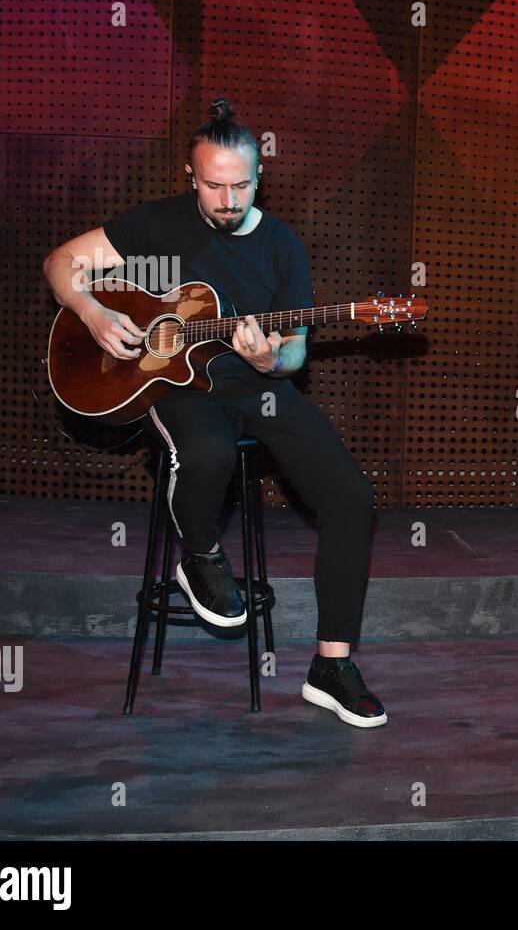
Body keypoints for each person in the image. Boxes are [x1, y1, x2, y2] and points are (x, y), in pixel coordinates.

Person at [41, 99, 386, 728]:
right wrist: (93, 312)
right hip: (173, 386)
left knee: (351, 497)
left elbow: (294, 352)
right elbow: (61, 263)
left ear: (260, 176)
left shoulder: (282, 245)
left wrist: (267, 362)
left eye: (242, 184)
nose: (228, 199)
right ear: (190, 175)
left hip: (253, 386)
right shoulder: (155, 224)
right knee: (208, 454)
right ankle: (198, 551)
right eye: (214, 185)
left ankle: (331, 666)